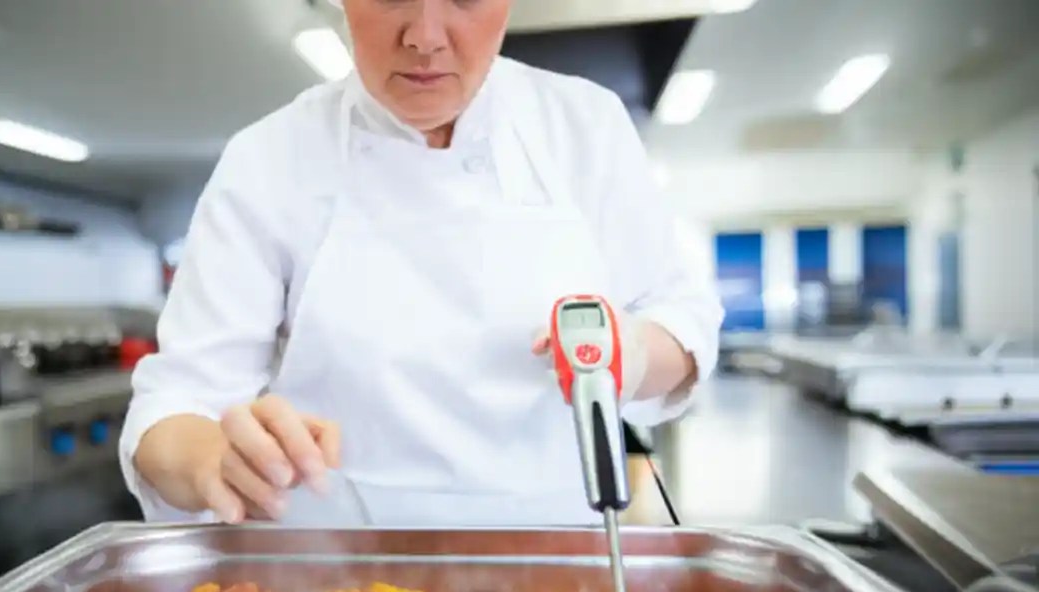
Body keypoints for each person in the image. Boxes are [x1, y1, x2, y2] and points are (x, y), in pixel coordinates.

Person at [121, 0, 723, 526]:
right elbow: (175, 406)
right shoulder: (269, 157)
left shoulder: (585, 126)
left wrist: (634, 353)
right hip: (329, 586)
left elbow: (682, 317)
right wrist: (211, 457)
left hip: (558, 571)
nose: (425, 37)